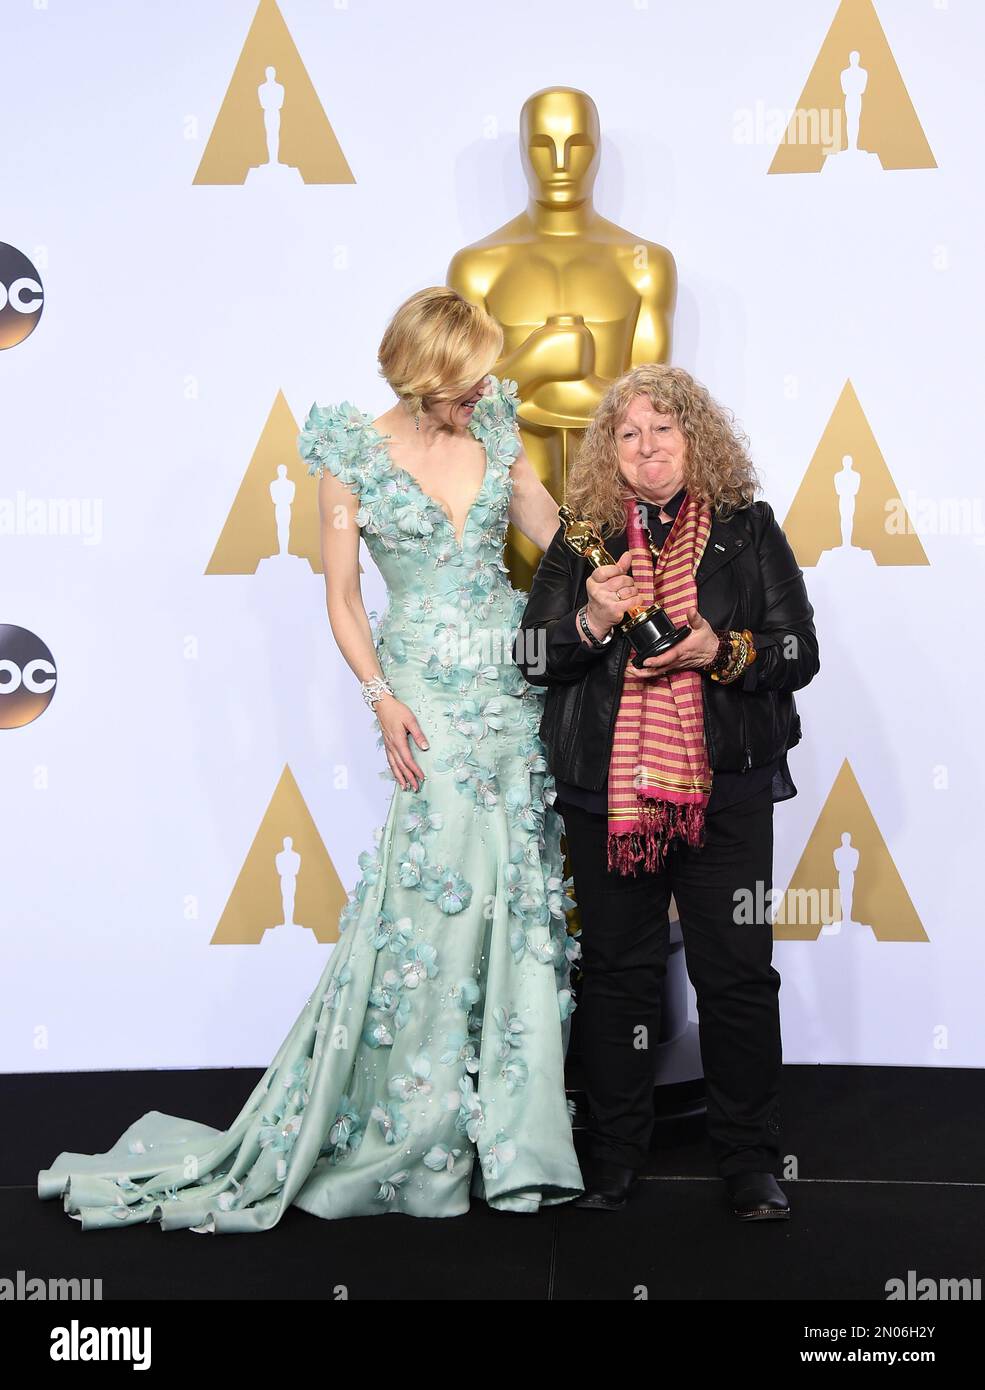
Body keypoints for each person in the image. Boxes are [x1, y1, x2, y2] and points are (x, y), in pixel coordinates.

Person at [37, 287, 583, 1232]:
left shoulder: (494, 424)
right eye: (468, 376)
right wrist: (382, 700)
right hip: (422, 692)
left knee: (521, 889)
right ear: (425, 377)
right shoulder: (349, 452)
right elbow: (340, 597)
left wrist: (621, 566)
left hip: (507, 678)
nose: (486, 387)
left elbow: (549, 529)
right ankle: (417, 1128)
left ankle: (517, 1133)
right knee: (435, 899)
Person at [513, 364, 819, 1220]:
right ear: (608, 450)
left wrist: (719, 651)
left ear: (696, 440)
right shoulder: (585, 541)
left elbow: (798, 651)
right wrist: (592, 619)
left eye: (664, 431)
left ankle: (750, 1160)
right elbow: (532, 658)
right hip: (602, 794)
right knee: (616, 975)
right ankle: (610, 1154)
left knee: (736, 976)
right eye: (628, 434)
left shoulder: (747, 529)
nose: (647, 449)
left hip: (722, 788)